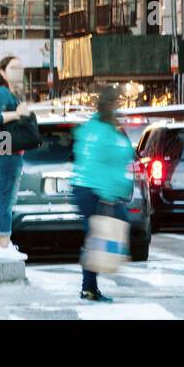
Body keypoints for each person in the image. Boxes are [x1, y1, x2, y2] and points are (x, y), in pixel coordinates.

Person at [71, 84, 134, 303]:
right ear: (110, 103)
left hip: (84, 187)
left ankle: (90, 287)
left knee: (95, 234)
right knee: (99, 233)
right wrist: (109, 195)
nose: (119, 105)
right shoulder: (105, 131)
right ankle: (89, 286)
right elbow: (107, 160)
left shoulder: (94, 126)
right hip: (95, 190)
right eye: (117, 101)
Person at [0, 55, 29, 261]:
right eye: (13, 67)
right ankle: (3, 244)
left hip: (4, 145)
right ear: (2, 72)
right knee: (6, 196)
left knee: (2, 195)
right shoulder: (2, 92)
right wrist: (18, 114)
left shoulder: (9, 92)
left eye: (20, 67)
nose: (18, 71)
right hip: (5, 146)